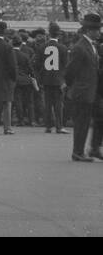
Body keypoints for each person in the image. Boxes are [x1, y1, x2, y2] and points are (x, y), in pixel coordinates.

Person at [64, 13, 102, 161]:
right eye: (97, 29)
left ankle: (93, 148)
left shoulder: (90, 46)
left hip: (90, 91)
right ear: (89, 30)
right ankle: (78, 152)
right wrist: (71, 86)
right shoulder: (80, 47)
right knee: (82, 123)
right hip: (83, 91)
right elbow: (70, 70)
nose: (99, 32)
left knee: (97, 119)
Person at [38, 24, 67, 135]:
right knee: (58, 104)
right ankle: (59, 126)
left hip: (46, 79)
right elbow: (65, 65)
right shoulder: (63, 48)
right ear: (58, 35)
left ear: (49, 34)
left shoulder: (42, 47)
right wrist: (64, 80)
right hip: (58, 79)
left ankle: (48, 126)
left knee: (48, 104)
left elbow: (38, 64)